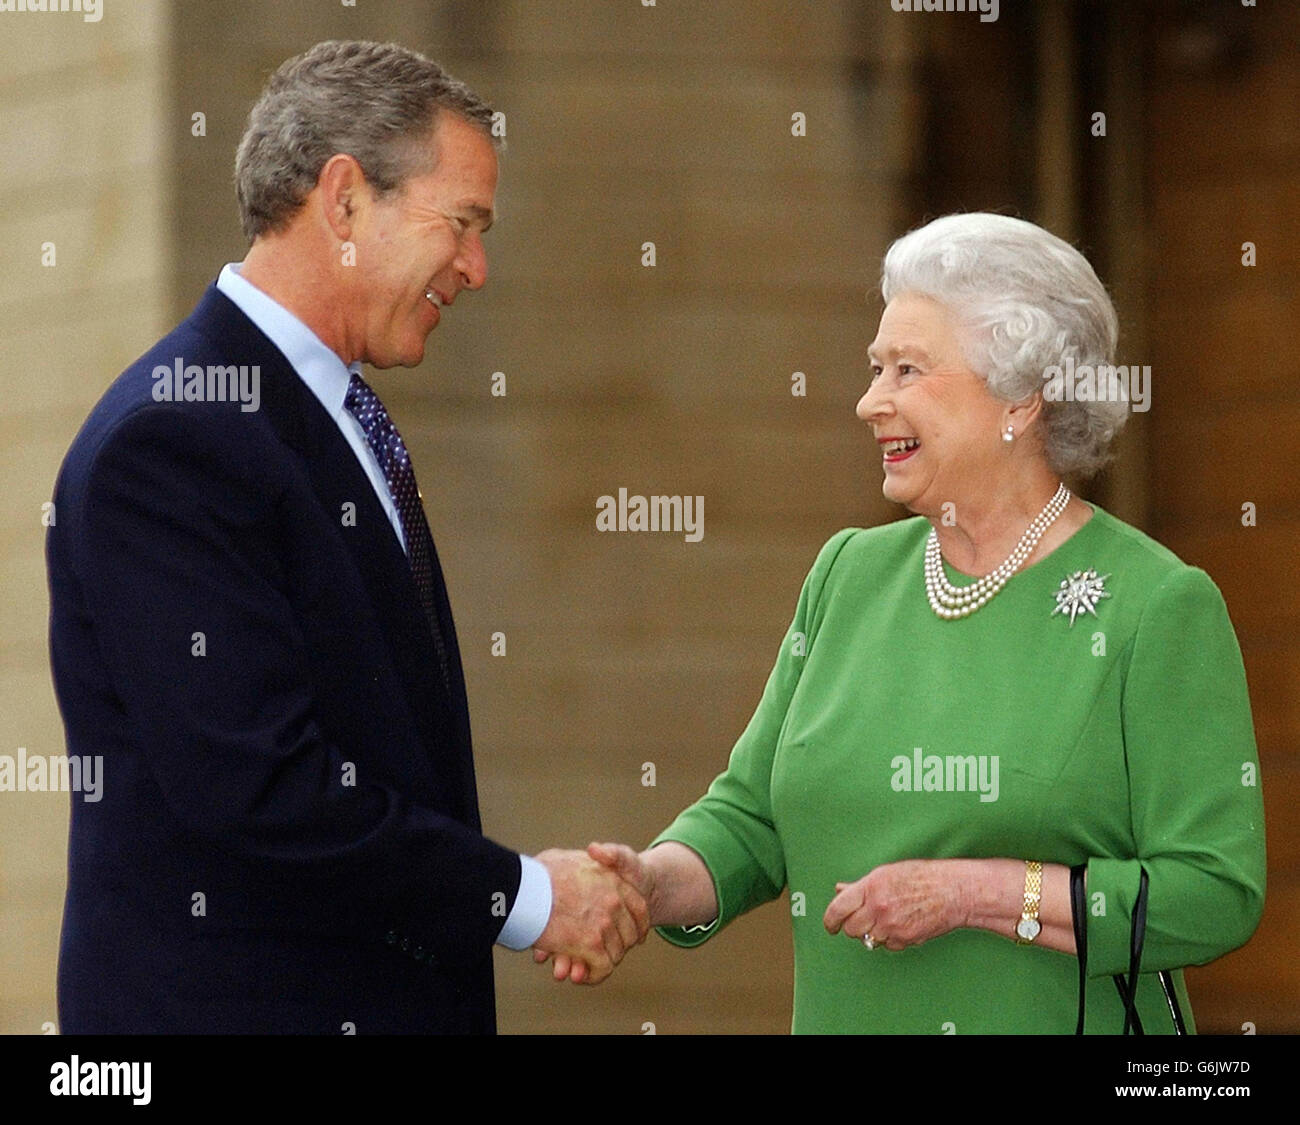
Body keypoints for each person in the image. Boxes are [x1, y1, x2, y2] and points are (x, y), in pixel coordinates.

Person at [537, 213, 1267, 1033]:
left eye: (907, 369)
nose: (868, 401)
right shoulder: (848, 574)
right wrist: (647, 881)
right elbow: (751, 818)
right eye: (875, 368)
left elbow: (1215, 893)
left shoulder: (1155, 605)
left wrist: (973, 892)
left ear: (1021, 397)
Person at [48, 40, 646, 1035]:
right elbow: (258, 787)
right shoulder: (176, 439)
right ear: (342, 200)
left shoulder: (330, 417)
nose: (478, 268)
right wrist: (527, 897)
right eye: (461, 223)